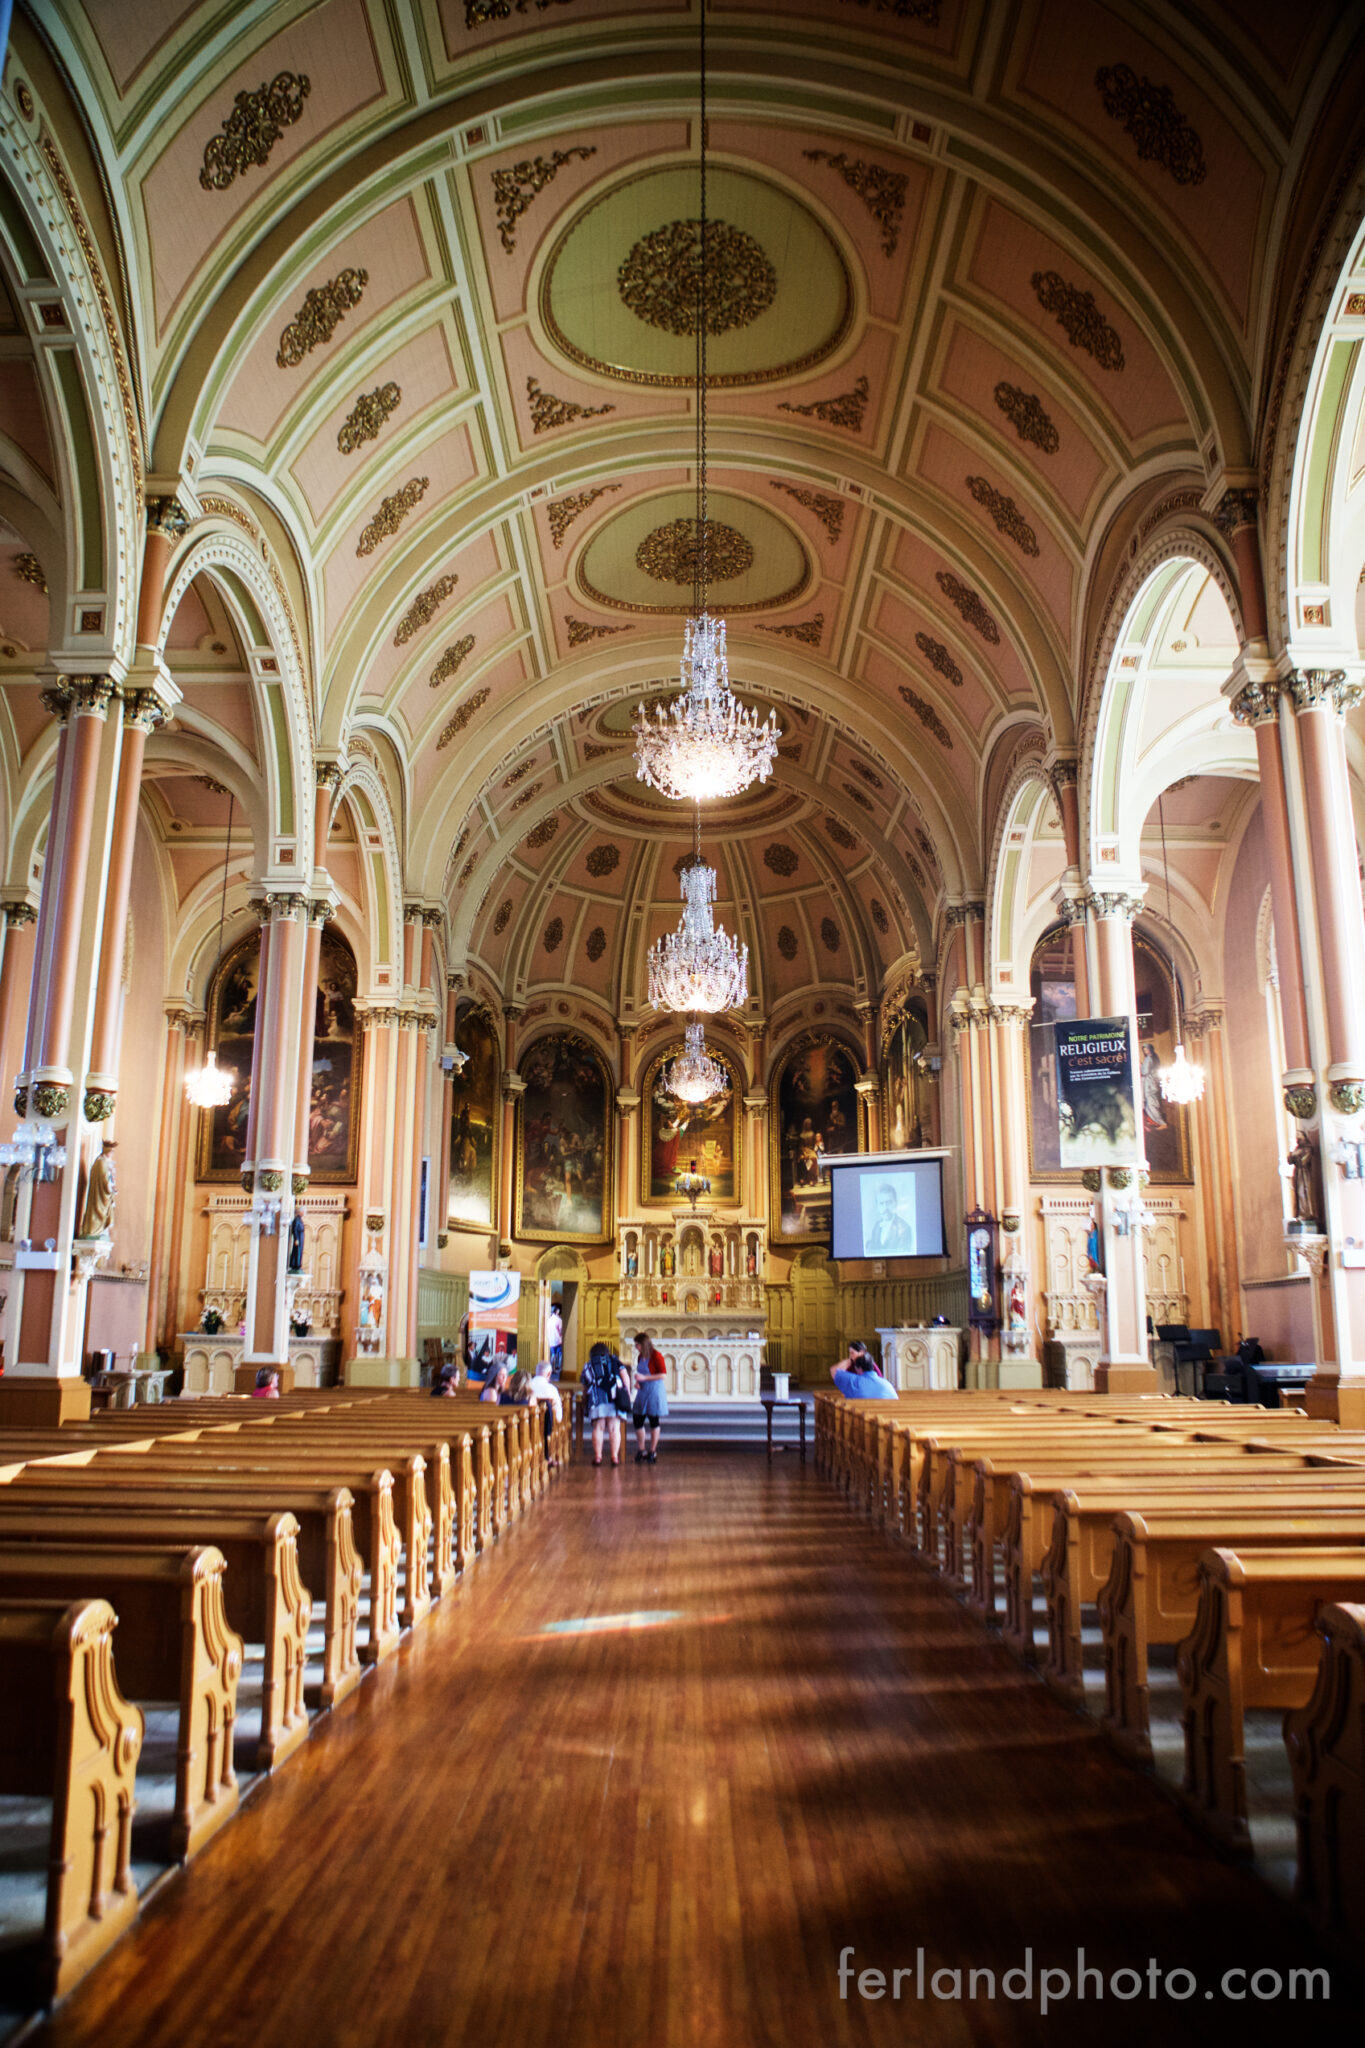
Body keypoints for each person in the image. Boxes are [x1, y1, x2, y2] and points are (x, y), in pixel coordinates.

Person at [582, 1339, 628, 1466]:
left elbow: (585, 1385)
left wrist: (584, 1398)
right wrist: (627, 1393)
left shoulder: (589, 1364)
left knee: (599, 1427)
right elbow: (625, 1377)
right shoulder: (615, 1362)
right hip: (615, 1396)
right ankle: (614, 1457)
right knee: (614, 1428)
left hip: (597, 1397)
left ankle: (598, 1457)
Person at [630, 1330, 669, 1464]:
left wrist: (645, 1378)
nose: (636, 1348)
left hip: (654, 1391)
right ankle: (641, 1449)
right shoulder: (641, 1357)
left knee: (653, 1419)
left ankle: (652, 1451)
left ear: (643, 1344)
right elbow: (640, 1374)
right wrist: (638, 1382)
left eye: (637, 1345)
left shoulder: (656, 1356)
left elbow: (663, 1374)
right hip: (643, 1391)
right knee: (638, 1419)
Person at [863, 1177, 915, 1255]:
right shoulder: (876, 1225)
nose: (885, 1208)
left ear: (896, 1203)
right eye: (881, 1203)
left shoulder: (905, 1228)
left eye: (889, 1202)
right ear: (877, 1205)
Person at [830, 1343, 896, 1400]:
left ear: (859, 1368)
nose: (850, 1356)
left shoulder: (853, 1381)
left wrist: (848, 1360)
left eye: (852, 1353)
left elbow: (834, 1371)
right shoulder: (887, 1384)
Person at [529, 1358, 563, 1464]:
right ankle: (548, 1456)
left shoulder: (527, 1386)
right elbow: (558, 1417)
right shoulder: (551, 1389)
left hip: (527, 1426)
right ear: (549, 1374)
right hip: (546, 1428)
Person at [547, 1301, 563, 1371]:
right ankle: (558, 1366)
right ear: (557, 1311)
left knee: (553, 1354)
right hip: (557, 1340)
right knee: (559, 1353)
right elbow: (560, 1330)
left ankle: (551, 1367)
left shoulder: (549, 1319)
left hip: (551, 1340)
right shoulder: (559, 1320)